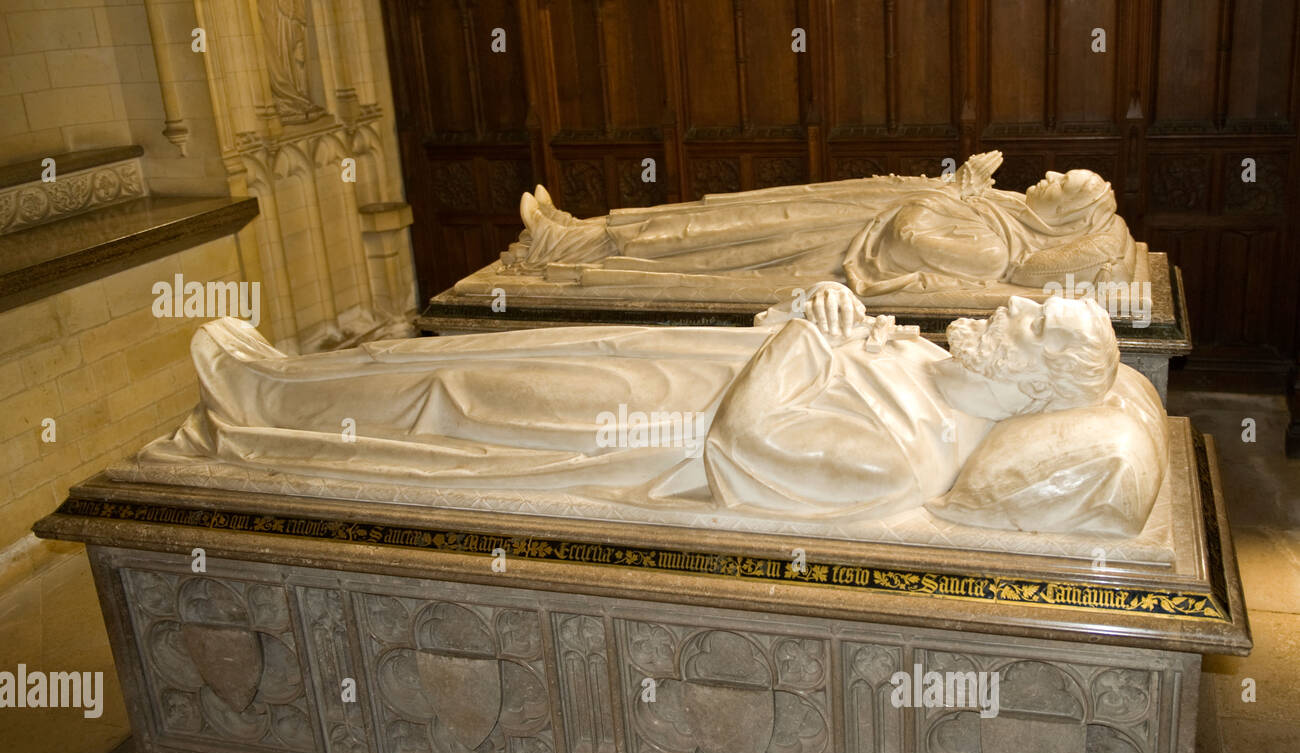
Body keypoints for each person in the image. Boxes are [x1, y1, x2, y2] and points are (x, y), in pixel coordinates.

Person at [144, 284, 1121, 522]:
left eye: (1032, 323)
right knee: (468, 364)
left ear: (1035, 385)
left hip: (639, 433)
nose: (1008, 306)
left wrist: (807, 333)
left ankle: (260, 410)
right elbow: (775, 326)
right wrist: (809, 305)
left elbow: (752, 443)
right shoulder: (916, 350)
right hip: (657, 361)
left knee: (455, 395)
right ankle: (288, 379)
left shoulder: (912, 455)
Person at [499, 152, 1136, 300]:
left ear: (1066, 222)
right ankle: (578, 229)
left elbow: (909, 238)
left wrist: (945, 198)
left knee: (708, 239)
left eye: (1063, 187)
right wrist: (958, 185)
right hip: (830, 212)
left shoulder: (998, 246)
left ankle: (567, 244)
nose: (1048, 179)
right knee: (717, 212)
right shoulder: (1005, 209)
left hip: (817, 246)